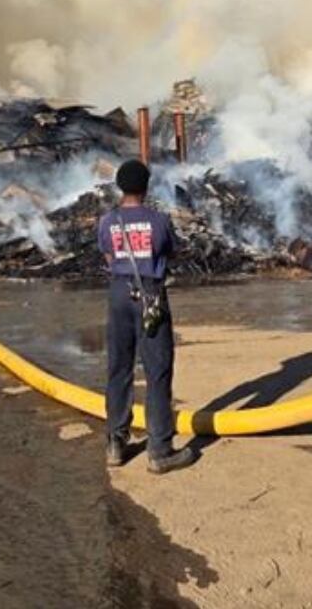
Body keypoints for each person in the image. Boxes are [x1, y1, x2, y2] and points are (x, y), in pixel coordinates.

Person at [99, 159, 198, 474]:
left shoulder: (107, 221)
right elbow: (169, 252)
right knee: (157, 370)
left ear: (120, 186)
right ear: (146, 186)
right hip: (150, 295)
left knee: (119, 368)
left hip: (118, 294)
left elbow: (109, 257)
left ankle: (116, 444)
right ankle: (159, 450)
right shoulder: (158, 220)